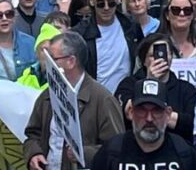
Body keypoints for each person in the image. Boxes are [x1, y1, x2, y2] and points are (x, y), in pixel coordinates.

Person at [23, 32, 125, 170]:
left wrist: (84, 154)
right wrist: (34, 154)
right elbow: (32, 134)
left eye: (53, 59)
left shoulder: (103, 100)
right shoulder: (47, 95)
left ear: (71, 61)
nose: (48, 64)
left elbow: (117, 149)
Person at [90, 78, 196, 170]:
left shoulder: (185, 154)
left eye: (156, 111)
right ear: (131, 112)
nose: (149, 118)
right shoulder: (111, 153)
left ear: (168, 114)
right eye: (142, 111)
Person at [114, 34, 196, 141]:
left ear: (171, 57)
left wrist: (155, 116)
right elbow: (127, 112)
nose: (159, 59)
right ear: (144, 61)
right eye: (153, 55)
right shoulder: (128, 84)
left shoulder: (187, 90)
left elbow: (192, 123)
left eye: (164, 54)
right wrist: (150, 81)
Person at [74, 0, 143, 93]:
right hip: (95, 100)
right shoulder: (80, 33)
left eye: (111, 3)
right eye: (100, 3)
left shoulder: (131, 26)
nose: (106, 8)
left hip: (126, 98)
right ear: (91, 0)